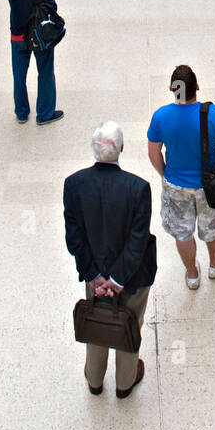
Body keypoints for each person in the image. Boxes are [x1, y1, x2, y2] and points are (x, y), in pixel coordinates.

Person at [63, 121, 157, 397]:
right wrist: (117, 280)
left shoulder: (74, 185)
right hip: (133, 278)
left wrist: (95, 277)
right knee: (130, 323)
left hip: (95, 274)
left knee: (97, 322)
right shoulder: (138, 188)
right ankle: (125, 383)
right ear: (122, 149)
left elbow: (74, 238)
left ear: (93, 150)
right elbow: (137, 241)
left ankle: (94, 379)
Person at [147, 64, 215, 288]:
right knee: (213, 227)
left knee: (182, 232)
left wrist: (165, 174)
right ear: (197, 86)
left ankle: (191, 274)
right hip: (210, 187)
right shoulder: (213, 114)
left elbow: (153, 152)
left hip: (176, 184)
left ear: (171, 88)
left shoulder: (160, 117)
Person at [0, 0, 64, 124]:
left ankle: (21, 113)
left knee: (19, 76)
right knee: (45, 72)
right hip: (39, 36)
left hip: (17, 37)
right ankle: (44, 114)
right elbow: (52, 5)